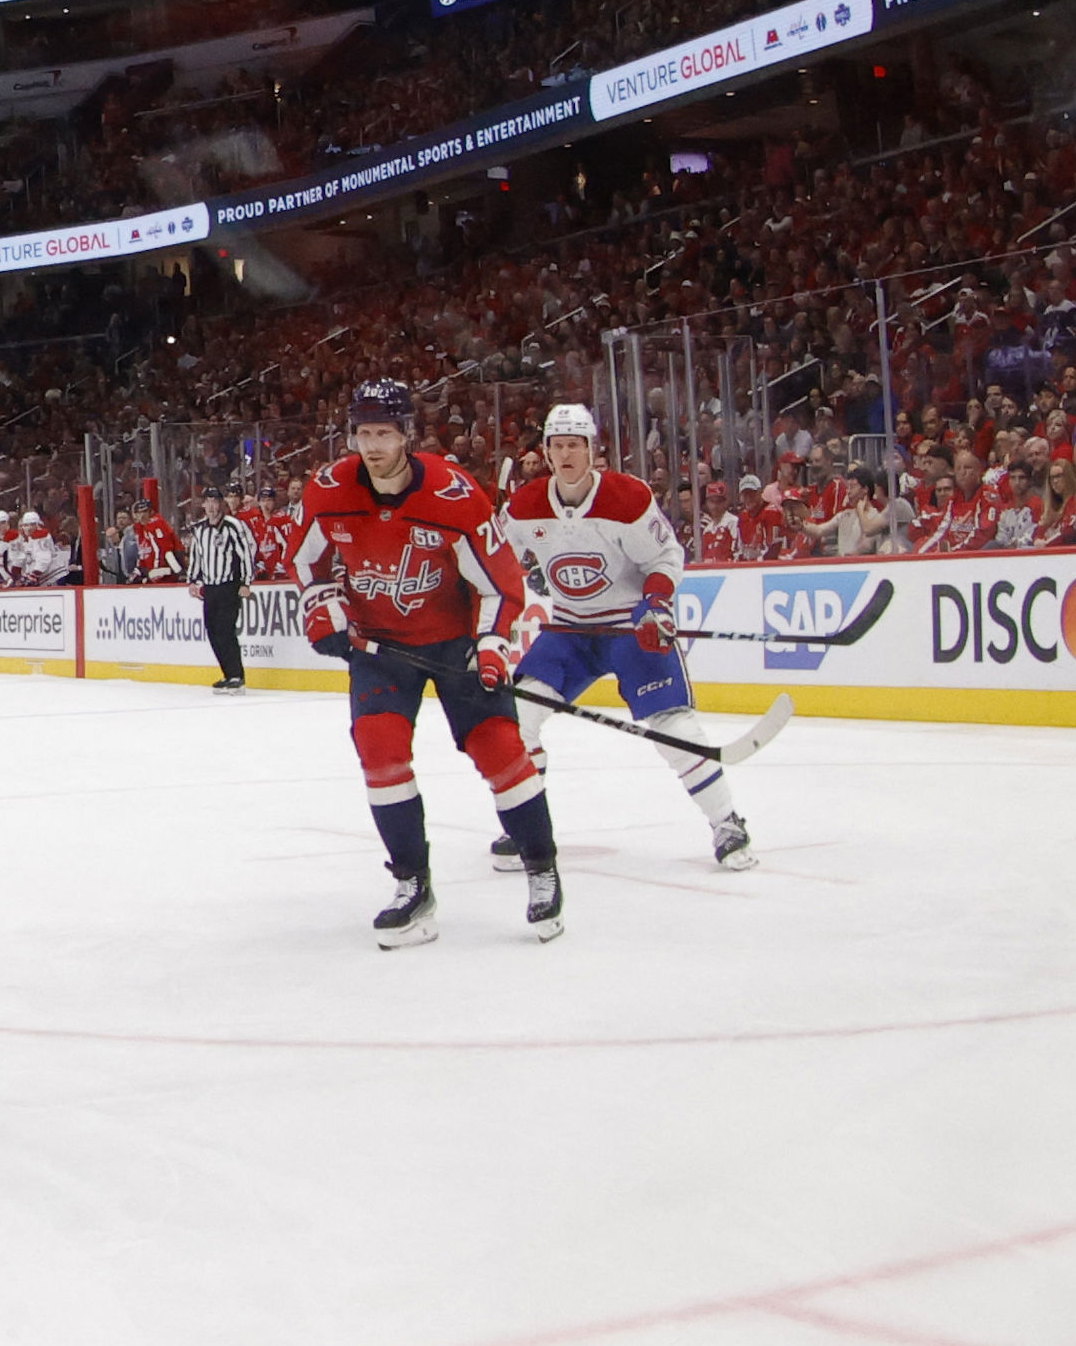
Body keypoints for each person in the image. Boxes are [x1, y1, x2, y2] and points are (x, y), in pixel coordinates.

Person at [297, 379, 562, 947]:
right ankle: (413, 886)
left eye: (384, 433)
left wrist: (491, 646)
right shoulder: (327, 490)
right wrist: (322, 607)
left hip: (454, 645)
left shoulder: (455, 496)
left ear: (406, 436)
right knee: (380, 752)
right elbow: (306, 563)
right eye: (363, 433)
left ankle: (541, 868)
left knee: (501, 751)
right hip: (379, 649)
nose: (371, 446)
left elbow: (501, 585)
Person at [500, 403, 755, 873]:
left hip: (628, 626)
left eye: (575, 444)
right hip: (570, 628)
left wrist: (655, 605)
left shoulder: (627, 497)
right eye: (558, 445)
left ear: (592, 450)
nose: (566, 453)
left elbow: (665, 560)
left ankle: (726, 822)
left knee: (673, 729)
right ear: (547, 452)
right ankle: (525, 826)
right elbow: (498, 564)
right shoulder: (524, 506)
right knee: (517, 716)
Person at [182, 489, 256, 690]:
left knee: (225, 629)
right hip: (210, 588)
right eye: (208, 501)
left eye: (216, 501)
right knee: (212, 631)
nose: (212, 506)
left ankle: (236, 674)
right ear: (203, 505)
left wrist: (246, 582)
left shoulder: (233, 526)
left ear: (221, 504)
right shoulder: (199, 530)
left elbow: (245, 555)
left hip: (229, 586)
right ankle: (228, 673)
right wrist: (192, 581)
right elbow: (197, 556)